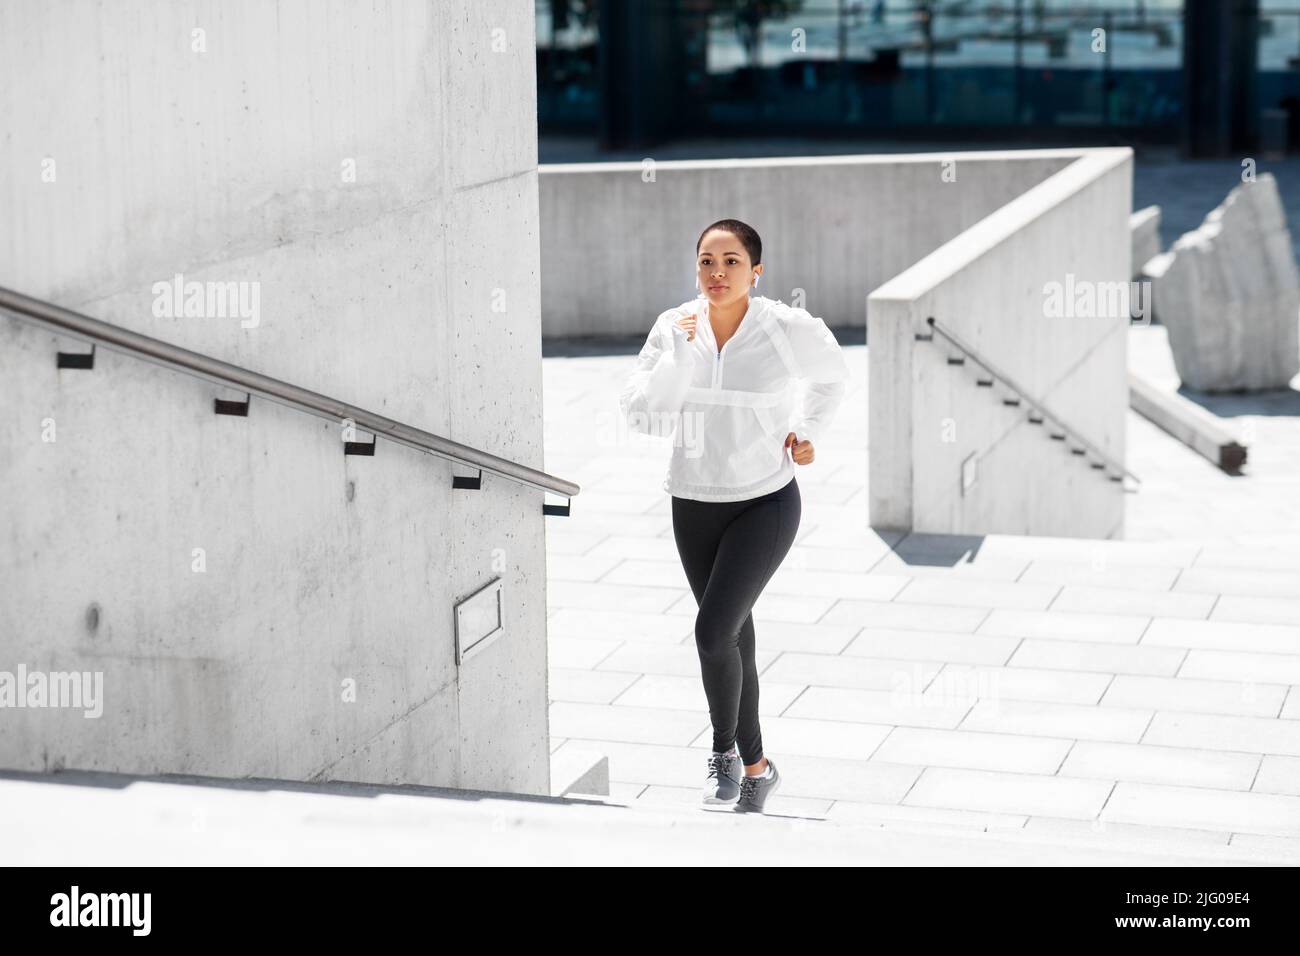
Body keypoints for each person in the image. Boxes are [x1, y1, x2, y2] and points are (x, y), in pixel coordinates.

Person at [618, 218, 850, 813]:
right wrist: (676, 358)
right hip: (693, 501)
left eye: (730, 261)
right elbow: (645, 415)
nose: (716, 273)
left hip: (765, 501)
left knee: (712, 631)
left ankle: (721, 755)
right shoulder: (675, 327)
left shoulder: (784, 327)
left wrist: (809, 432)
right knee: (733, 634)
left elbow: (832, 375)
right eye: (705, 261)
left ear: (755, 270)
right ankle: (758, 767)